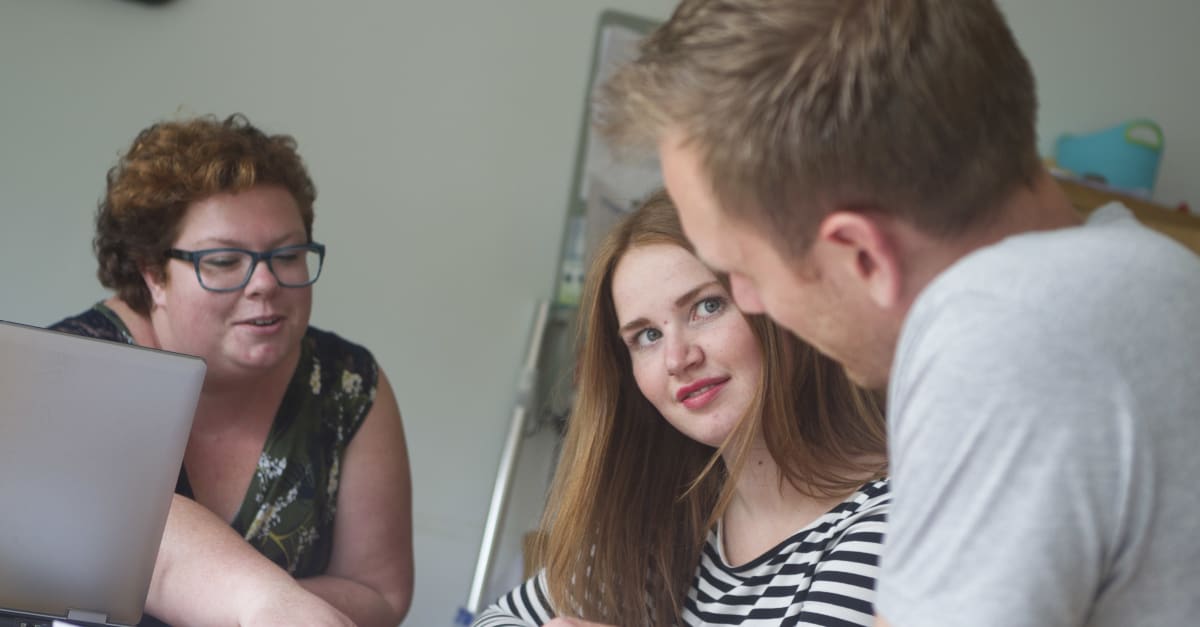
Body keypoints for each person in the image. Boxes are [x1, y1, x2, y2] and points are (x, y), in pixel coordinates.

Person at [599, 1, 1200, 626]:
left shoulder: (1006, 345)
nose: (753, 303)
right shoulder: (1153, 268)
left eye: (743, 274)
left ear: (862, 253)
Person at [51, 114, 414, 626]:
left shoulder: (348, 386)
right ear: (152, 272)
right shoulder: (74, 373)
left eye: (287, 255)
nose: (265, 282)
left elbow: (380, 595)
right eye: (223, 261)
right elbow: (151, 550)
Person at [474, 191, 889, 626]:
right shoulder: (664, 521)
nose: (677, 358)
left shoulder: (883, 522)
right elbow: (494, 620)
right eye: (647, 336)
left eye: (706, 307)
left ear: (777, 304)